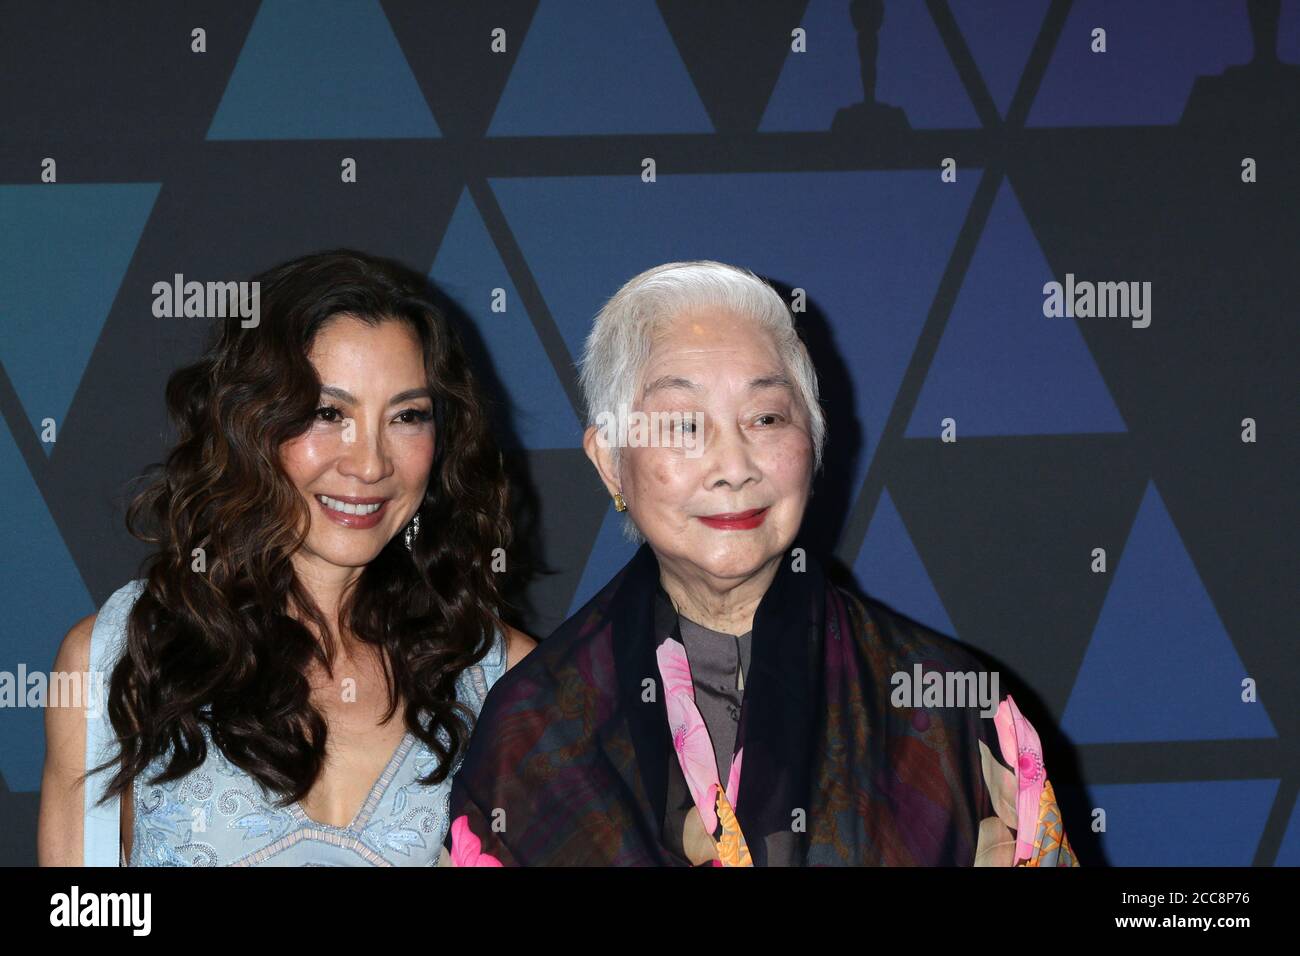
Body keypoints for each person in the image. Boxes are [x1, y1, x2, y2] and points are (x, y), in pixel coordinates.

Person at [443, 260, 1076, 866]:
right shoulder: (534, 725)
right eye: (683, 425)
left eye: (766, 417)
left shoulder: (950, 705)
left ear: (814, 441)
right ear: (611, 462)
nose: (734, 467)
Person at [38, 249, 535, 866]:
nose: (370, 464)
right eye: (328, 413)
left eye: (407, 416)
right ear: (249, 424)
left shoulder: (507, 680)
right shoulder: (116, 660)